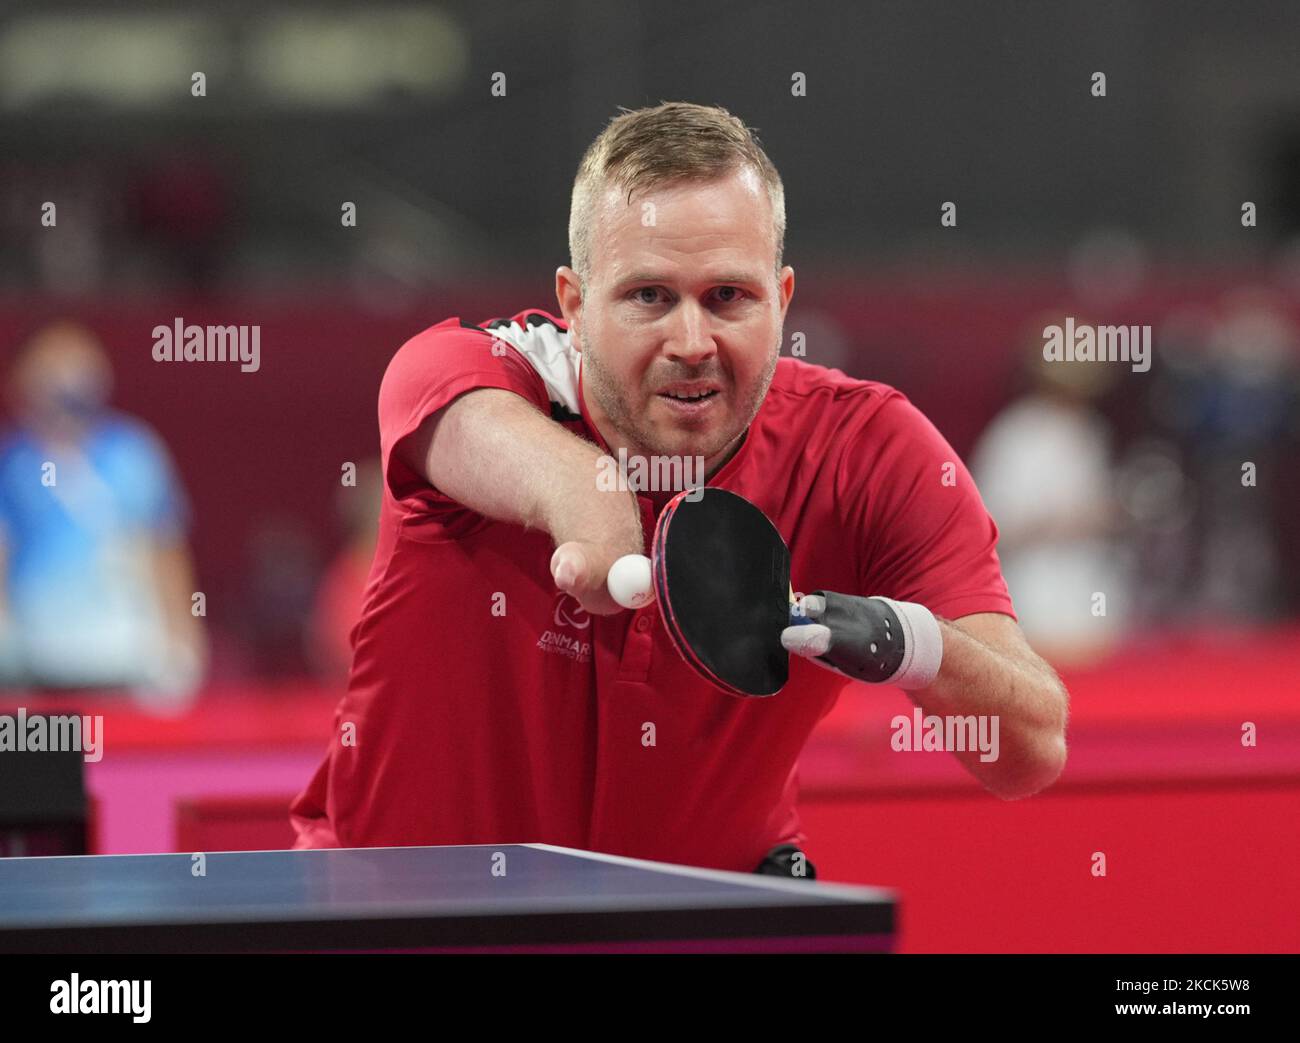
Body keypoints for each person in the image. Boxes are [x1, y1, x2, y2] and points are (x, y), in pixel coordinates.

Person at [290, 102, 1068, 874]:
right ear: (574, 303)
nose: (691, 343)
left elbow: (1029, 751)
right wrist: (600, 525)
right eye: (649, 297)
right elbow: (531, 464)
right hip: (394, 923)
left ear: (783, 298)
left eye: (728, 296)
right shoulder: (466, 374)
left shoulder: (867, 452)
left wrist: (909, 644)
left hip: (699, 927)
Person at [0, 320, 205, 708]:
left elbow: (164, 546)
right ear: (23, 378)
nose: (70, 376)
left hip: (125, 652)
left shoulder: (133, 452)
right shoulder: (9, 463)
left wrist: (183, 638)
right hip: (39, 656)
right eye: (56, 363)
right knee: (50, 765)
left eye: (80, 362)